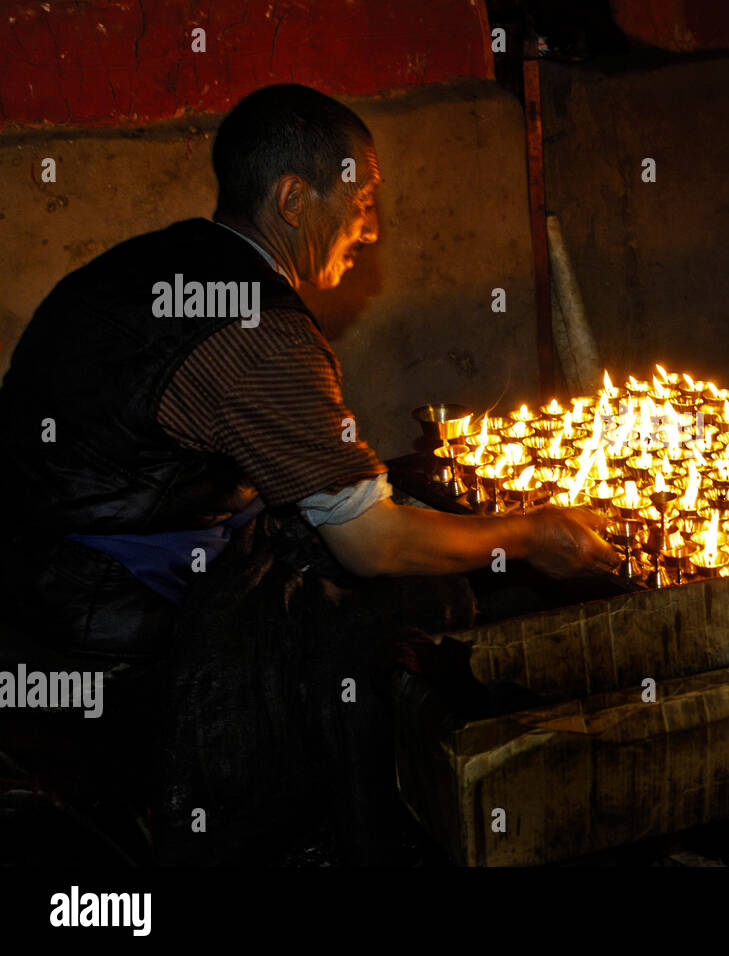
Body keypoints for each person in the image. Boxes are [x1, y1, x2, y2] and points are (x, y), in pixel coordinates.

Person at [0, 84, 617, 864]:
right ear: (293, 197)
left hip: (36, 562)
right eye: (363, 199)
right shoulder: (259, 333)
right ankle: (360, 839)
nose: (374, 227)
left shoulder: (158, 261)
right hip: (102, 619)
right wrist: (530, 533)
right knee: (396, 609)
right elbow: (371, 542)